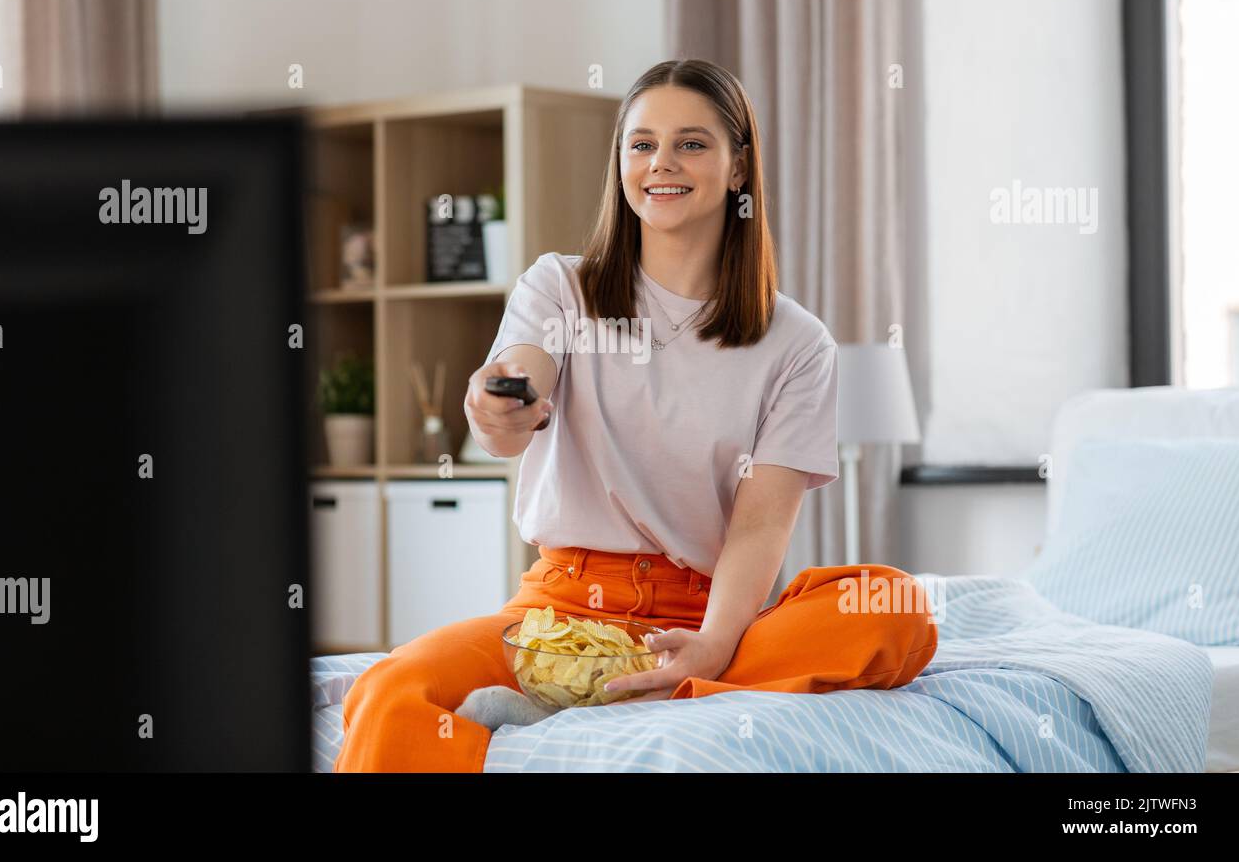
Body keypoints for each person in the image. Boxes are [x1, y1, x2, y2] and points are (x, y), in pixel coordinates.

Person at [333, 59, 938, 773]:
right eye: (642, 144)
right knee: (392, 689)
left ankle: (638, 692)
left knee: (893, 609)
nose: (662, 164)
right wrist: (499, 404)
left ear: (738, 168)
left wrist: (714, 643)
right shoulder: (559, 287)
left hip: (707, 618)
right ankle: (612, 692)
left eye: (692, 143)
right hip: (556, 616)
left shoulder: (797, 343)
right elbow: (516, 387)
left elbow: (761, 525)